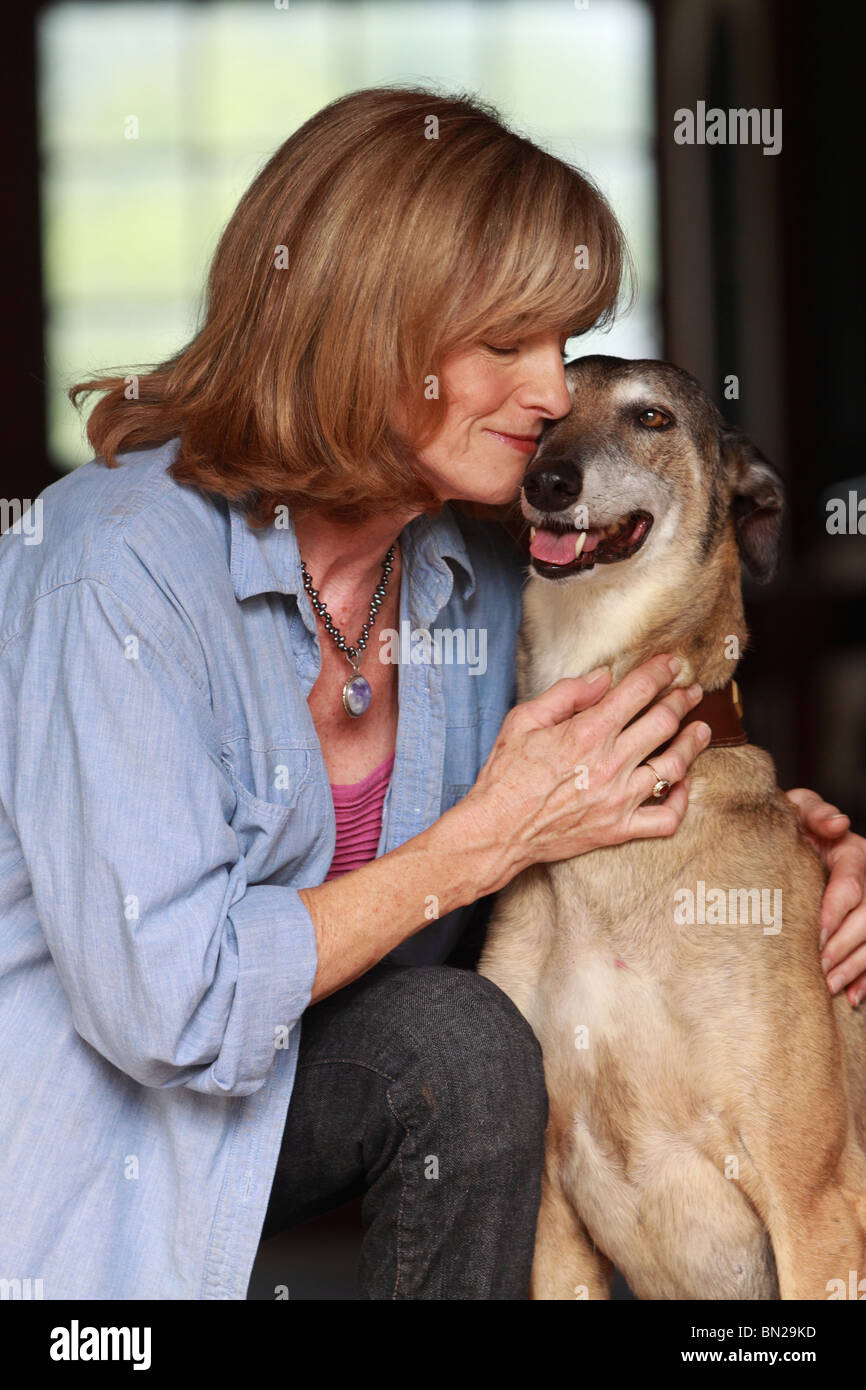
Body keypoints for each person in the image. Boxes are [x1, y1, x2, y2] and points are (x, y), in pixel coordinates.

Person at [0, 87, 863, 1302]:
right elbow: (166, 1008)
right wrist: (482, 840)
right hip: (101, 1162)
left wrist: (802, 854)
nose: (553, 393)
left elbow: (644, 705)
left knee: (453, 1045)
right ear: (366, 326)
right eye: (507, 345)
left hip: (298, 1100)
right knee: (459, 1036)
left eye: (562, 343)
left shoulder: (485, 571)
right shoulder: (115, 565)